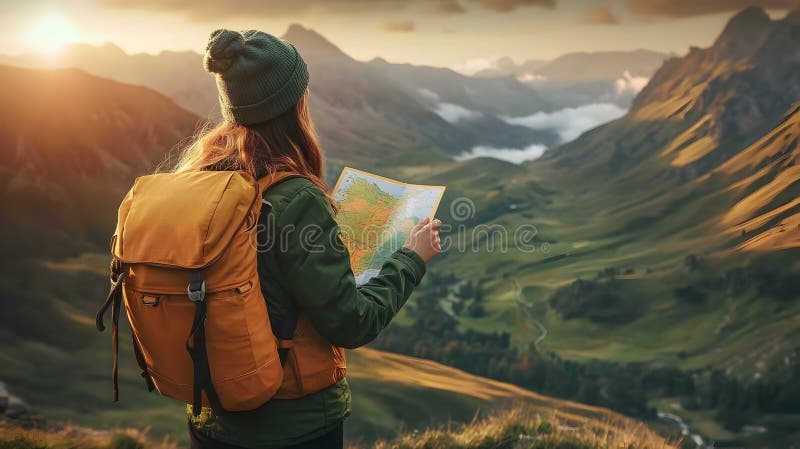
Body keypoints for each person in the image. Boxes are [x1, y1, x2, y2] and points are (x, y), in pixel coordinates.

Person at [176, 29, 443, 449]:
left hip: (211, 418)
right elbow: (351, 322)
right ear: (292, 105)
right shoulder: (295, 200)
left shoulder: (199, 183)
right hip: (292, 427)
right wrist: (412, 257)